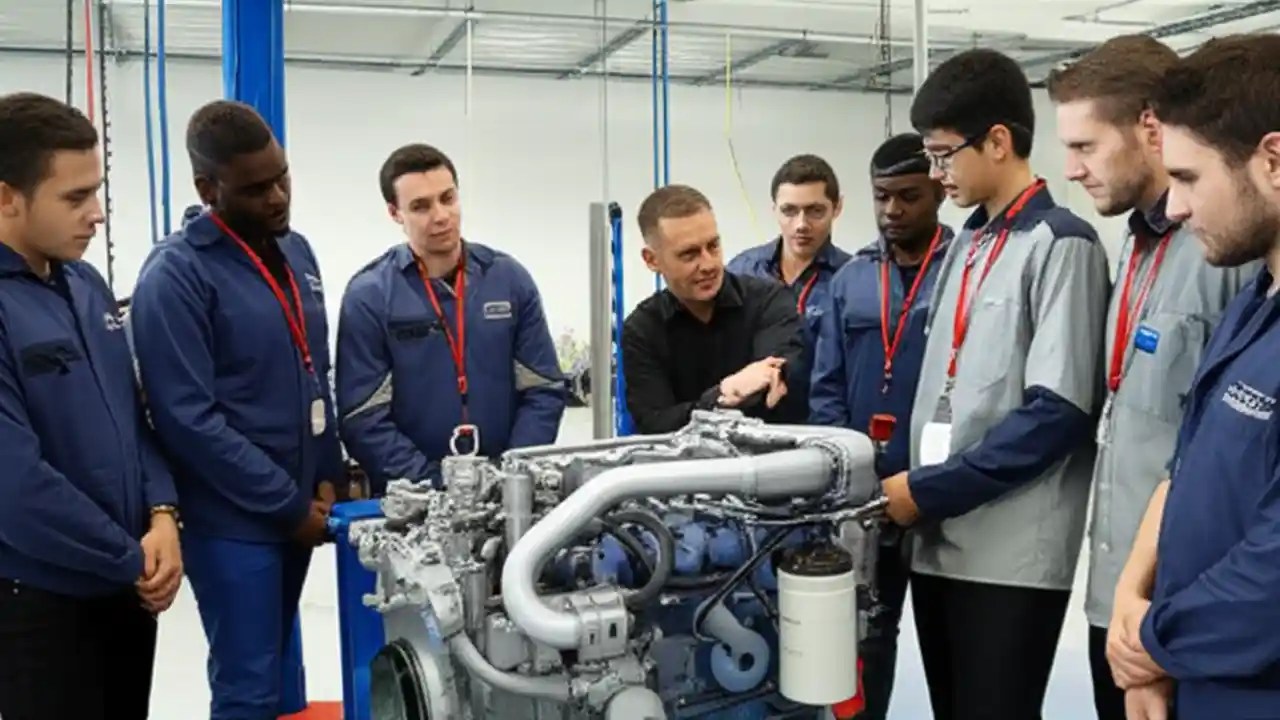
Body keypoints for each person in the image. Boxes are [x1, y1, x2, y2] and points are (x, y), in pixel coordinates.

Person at [880, 49, 1111, 719]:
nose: (936, 174)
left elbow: (1058, 412)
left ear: (999, 142)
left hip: (1009, 558)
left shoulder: (1062, 244)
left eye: (944, 155)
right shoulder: (968, 243)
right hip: (939, 542)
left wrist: (928, 491)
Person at [1045, 35, 1258, 720]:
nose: (1071, 169)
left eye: (1085, 146)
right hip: (1124, 599)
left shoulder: (1231, 255)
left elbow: (1231, 474)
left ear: (1149, 127)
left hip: (1191, 617)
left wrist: (1165, 635)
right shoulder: (1136, 243)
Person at [130, 100, 343, 720]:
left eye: (282, 178)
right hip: (232, 522)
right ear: (208, 189)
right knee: (247, 687)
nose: (277, 197)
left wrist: (329, 473)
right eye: (255, 189)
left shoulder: (297, 253)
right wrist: (287, 506)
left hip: (299, 506)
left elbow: (315, 373)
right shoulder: (176, 276)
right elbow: (186, 419)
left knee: (272, 674)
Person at [1104, 34, 1280, 720]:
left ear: (1273, 161)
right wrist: (1132, 601)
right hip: (1200, 676)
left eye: (1188, 178)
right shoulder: (1251, 307)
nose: (1173, 208)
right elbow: (1185, 469)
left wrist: (1154, 643)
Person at [0, 92, 181, 720]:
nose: (97, 214)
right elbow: (15, 487)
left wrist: (163, 514)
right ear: (7, 197)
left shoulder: (86, 284)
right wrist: (132, 557)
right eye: (75, 198)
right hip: (41, 602)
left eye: (96, 191)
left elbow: (133, 417)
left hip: (125, 591)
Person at [809, 133, 952, 720]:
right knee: (867, 632)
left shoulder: (964, 271)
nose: (892, 210)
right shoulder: (851, 280)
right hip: (868, 497)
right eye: (882, 196)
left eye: (908, 196)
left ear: (939, 191)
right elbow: (827, 387)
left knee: (952, 641)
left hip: (945, 491)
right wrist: (847, 476)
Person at [336, 143, 566, 490]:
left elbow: (544, 390)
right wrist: (433, 486)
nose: (441, 216)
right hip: (413, 497)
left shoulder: (509, 280)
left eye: (448, 198)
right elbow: (362, 417)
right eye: (421, 206)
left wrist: (511, 477)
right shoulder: (370, 296)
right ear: (395, 213)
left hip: (507, 491)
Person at [621, 184, 807, 433]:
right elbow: (656, 423)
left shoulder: (768, 302)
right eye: (689, 254)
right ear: (652, 260)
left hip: (772, 456)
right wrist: (723, 394)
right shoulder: (643, 330)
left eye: (713, 246)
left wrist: (704, 408)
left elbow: (773, 387)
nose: (708, 264)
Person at [726, 154, 853, 356]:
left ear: (837, 208)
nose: (801, 225)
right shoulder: (742, 271)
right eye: (789, 211)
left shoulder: (852, 279)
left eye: (815, 211)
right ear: (774, 209)